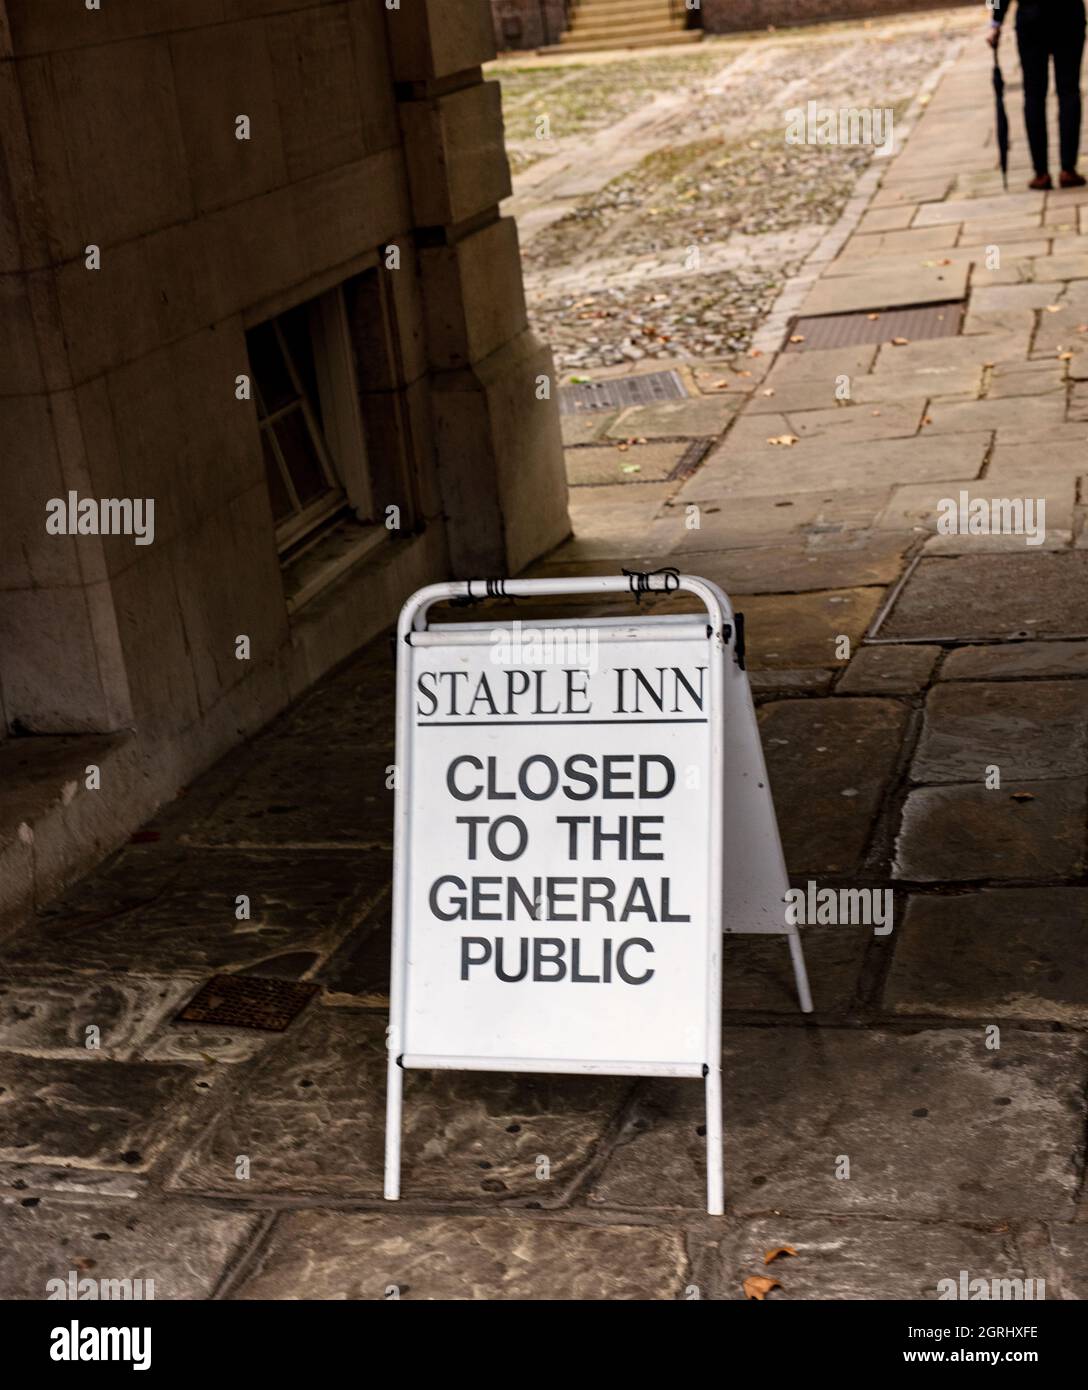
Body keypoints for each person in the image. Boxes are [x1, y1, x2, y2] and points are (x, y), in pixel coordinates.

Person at [988, 0, 1087, 189]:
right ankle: (1068, 170)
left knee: (1033, 95)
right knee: (1069, 91)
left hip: (1030, 18)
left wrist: (995, 21)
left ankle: (1041, 173)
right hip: (1069, 14)